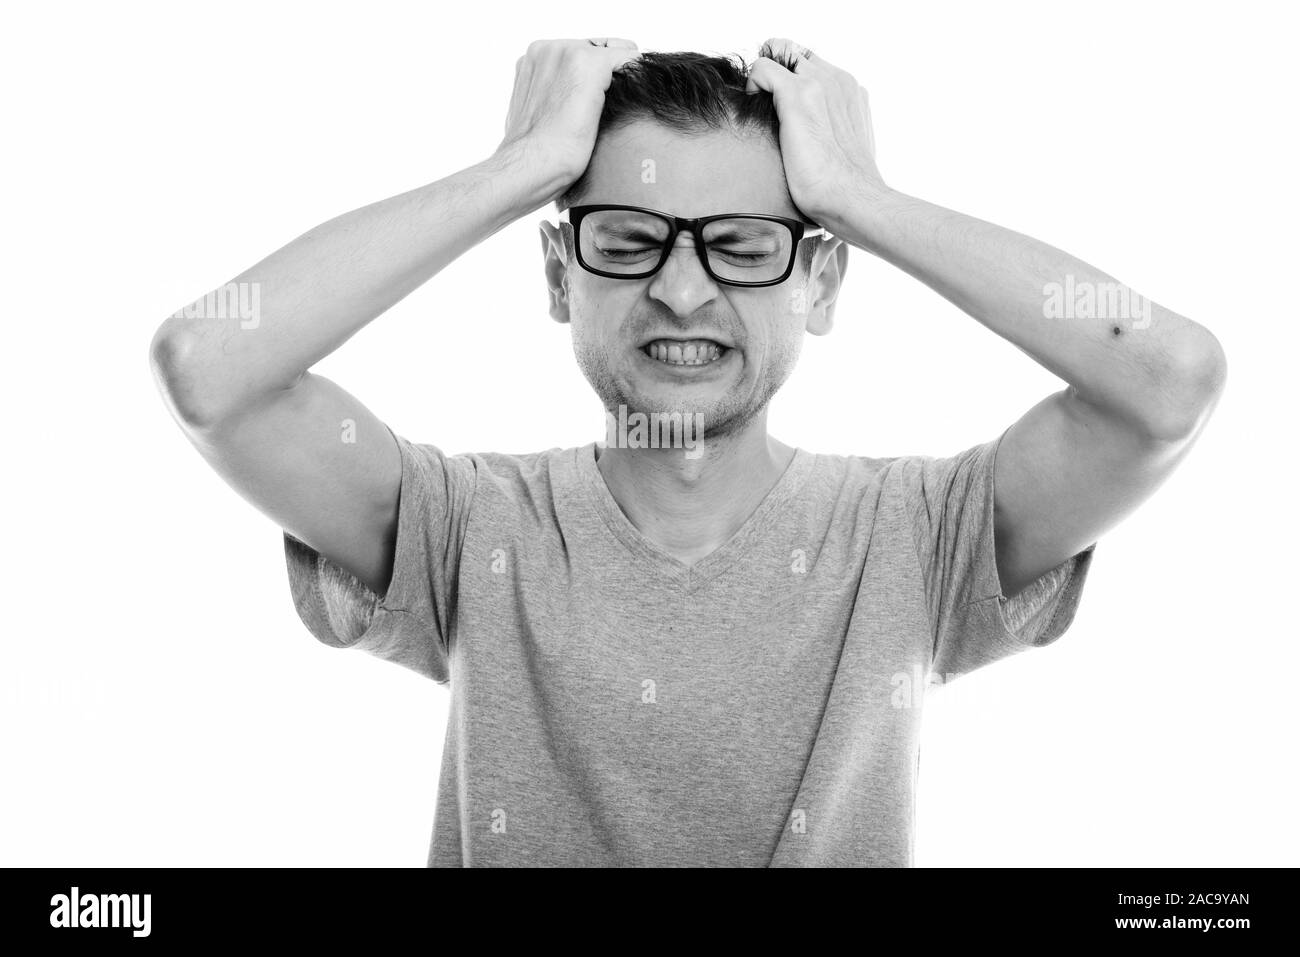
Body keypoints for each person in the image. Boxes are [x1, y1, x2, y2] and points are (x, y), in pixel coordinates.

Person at [148, 37, 1227, 866]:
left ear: (822, 282)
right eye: (626, 238)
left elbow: (1164, 383)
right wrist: (521, 166)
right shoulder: (464, 525)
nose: (680, 288)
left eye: (742, 246)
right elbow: (209, 366)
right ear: (559, 274)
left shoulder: (917, 537)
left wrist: (862, 197)